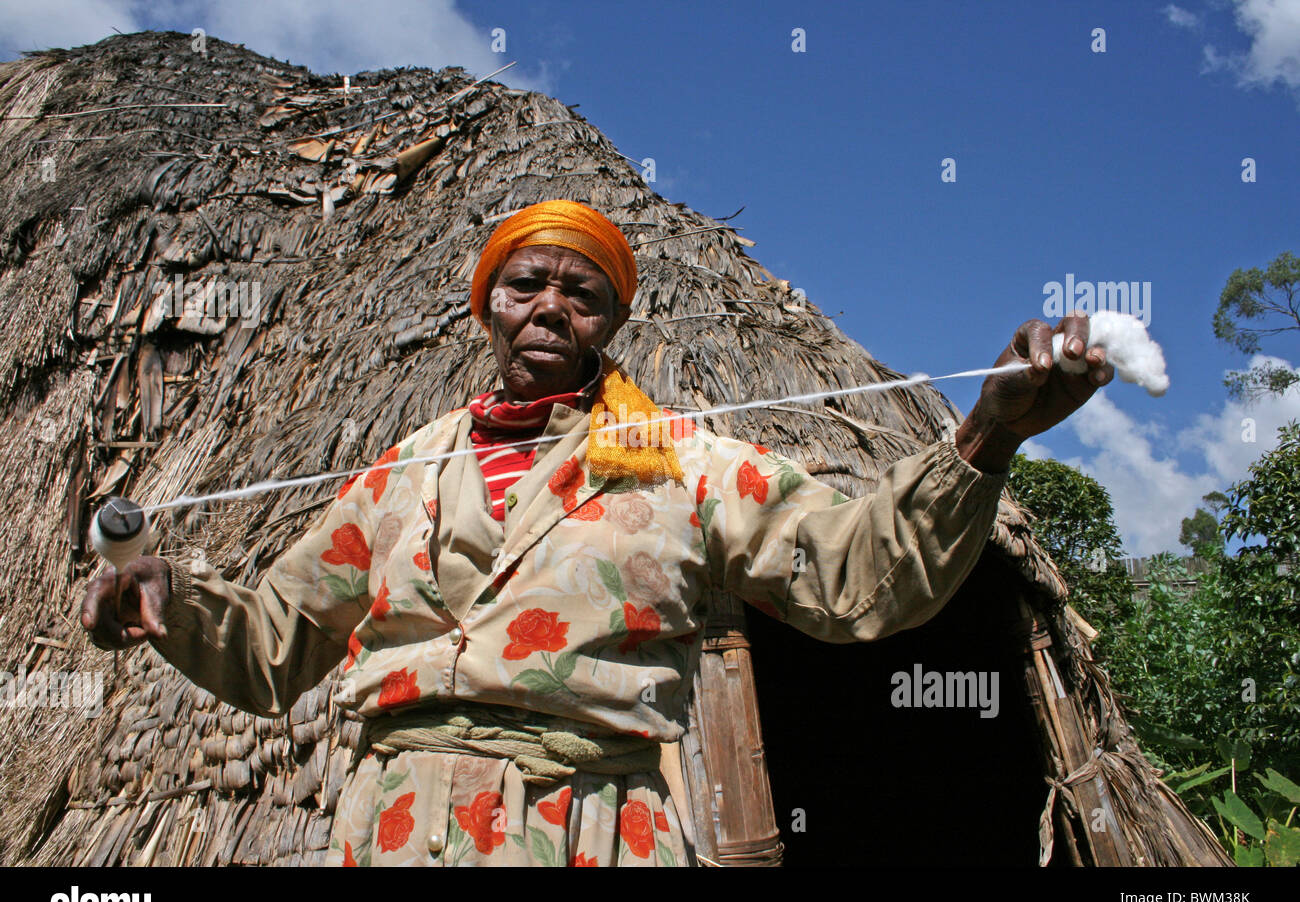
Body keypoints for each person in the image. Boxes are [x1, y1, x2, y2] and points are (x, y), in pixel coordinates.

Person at [81, 199, 1114, 866]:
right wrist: (171, 594)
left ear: (610, 323)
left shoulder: (681, 460)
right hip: (389, 828)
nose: (549, 306)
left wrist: (984, 432)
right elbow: (272, 643)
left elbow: (853, 576)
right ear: (487, 303)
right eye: (526, 283)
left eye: (582, 292)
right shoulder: (400, 472)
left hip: (592, 831)